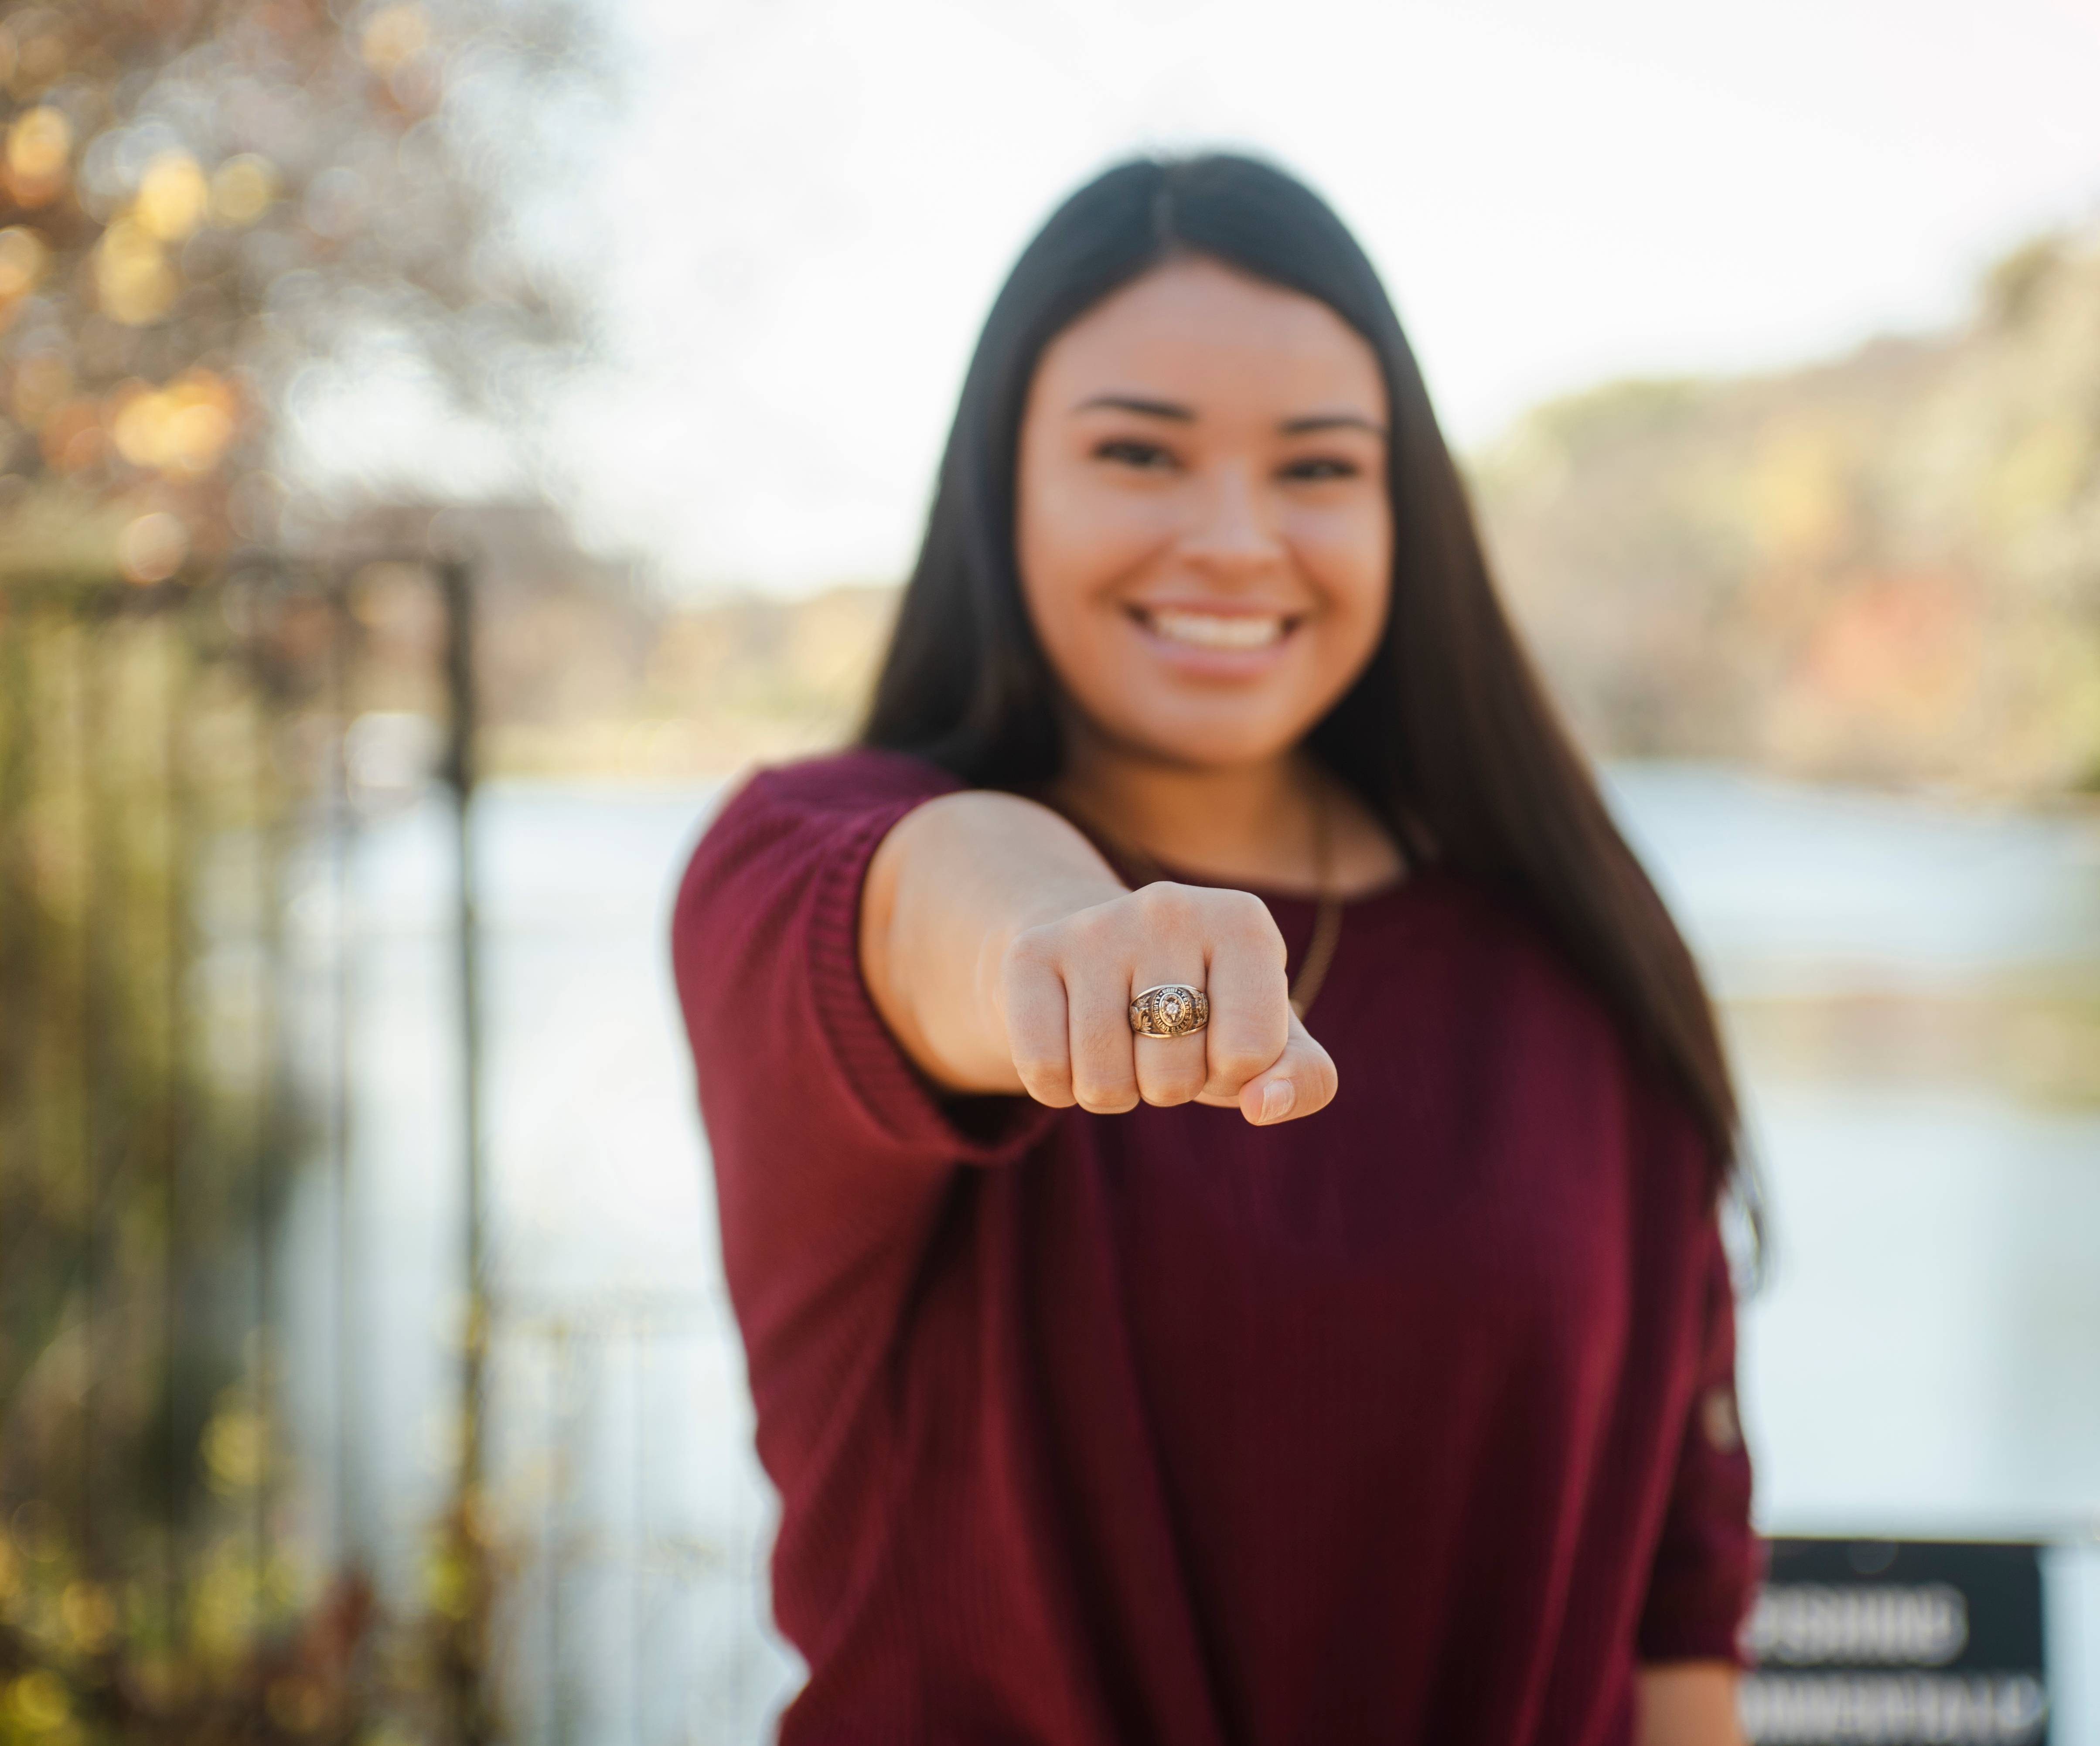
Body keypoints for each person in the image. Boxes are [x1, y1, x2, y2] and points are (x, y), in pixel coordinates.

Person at [672, 153, 1762, 1745]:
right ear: (1004, 485)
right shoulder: (799, 860)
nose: (1236, 539)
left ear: (1404, 512)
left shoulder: (1580, 956)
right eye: (1138, 452)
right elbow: (919, 911)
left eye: (1317, 469)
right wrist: (1065, 942)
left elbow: (1679, 1625)